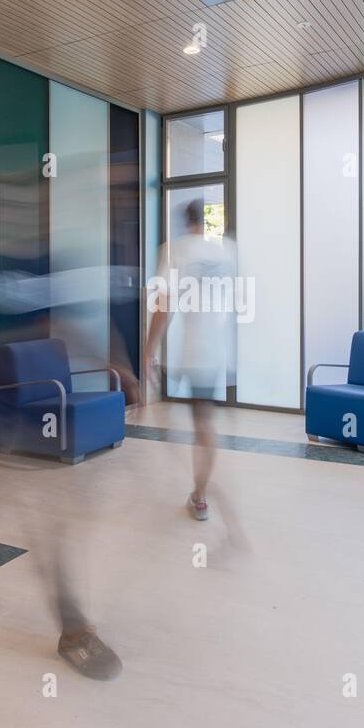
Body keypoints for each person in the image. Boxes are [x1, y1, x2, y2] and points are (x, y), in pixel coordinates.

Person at [144, 198, 236, 522]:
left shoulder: (176, 250)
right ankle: (199, 493)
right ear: (205, 221)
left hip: (191, 352)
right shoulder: (225, 251)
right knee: (203, 424)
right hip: (215, 354)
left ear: (185, 221)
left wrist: (148, 349)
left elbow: (164, 304)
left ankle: (199, 496)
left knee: (198, 427)